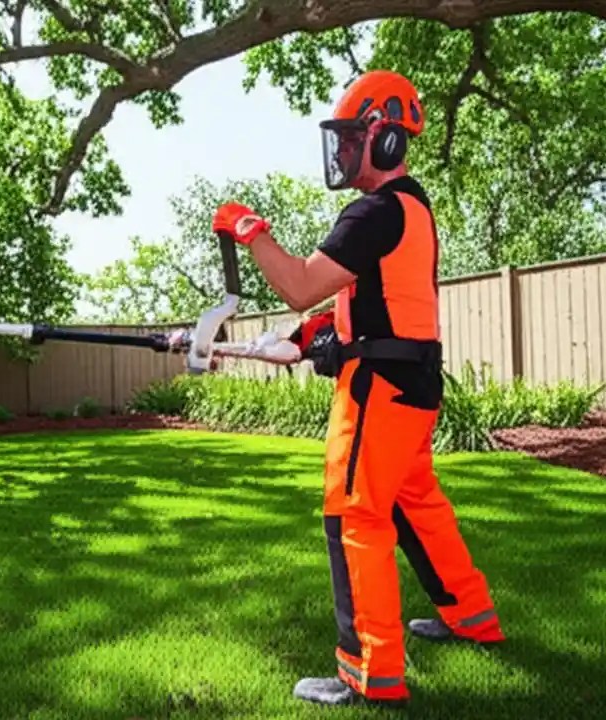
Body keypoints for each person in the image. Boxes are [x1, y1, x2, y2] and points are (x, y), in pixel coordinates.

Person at [210, 69, 505, 709]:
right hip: (414, 383)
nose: (341, 152)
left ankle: (370, 669)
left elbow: (298, 283)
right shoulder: (412, 210)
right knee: (416, 504)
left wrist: (251, 230)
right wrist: (312, 337)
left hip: (378, 392)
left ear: (386, 139)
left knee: (355, 516)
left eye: (351, 139)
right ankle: (472, 615)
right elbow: (378, 303)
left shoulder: (373, 212)